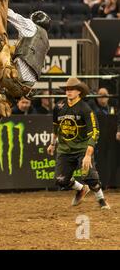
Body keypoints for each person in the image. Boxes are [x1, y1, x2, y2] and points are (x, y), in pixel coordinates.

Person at [47, 77, 110, 210]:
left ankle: (101, 199)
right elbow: (55, 128)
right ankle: (81, 189)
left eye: (72, 89)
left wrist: (87, 155)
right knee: (60, 180)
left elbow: (94, 132)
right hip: (64, 150)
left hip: (82, 149)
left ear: (79, 92)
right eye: (67, 89)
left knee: (90, 178)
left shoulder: (85, 109)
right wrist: (52, 144)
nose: (69, 92)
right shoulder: (59, 107)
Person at [0, 8, 51, 100]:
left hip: (15, 78)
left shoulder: (31, 26)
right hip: (26, 87)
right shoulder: (46, 42)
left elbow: (10, 15)